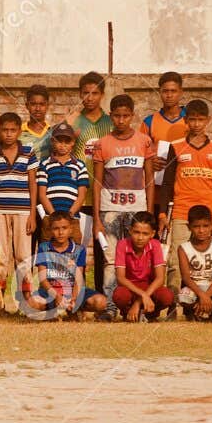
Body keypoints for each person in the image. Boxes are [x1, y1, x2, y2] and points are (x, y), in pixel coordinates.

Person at [90, 94, 155, 290]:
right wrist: (96, 219)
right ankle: (109, 306)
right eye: (117, 116)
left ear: (132, 115)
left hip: (137, 209)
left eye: (125, 116)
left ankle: (135, 304)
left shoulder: (144, 141)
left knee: (137, 259)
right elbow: (96, 183)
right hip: (110, 210)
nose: (121, 120)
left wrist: (149, 214)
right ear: (110, 116)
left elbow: (150, 180)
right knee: (111, 260)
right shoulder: (102, 143)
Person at [159, 98, 212, 290]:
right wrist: (162, 213)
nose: (196, 124)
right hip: (181, 212)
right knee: (177, 260)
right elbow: (167, 183)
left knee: (205, 261)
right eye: (192, 119)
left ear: (208, 120)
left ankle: (203, 304)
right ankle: (173, 303)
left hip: (207, 214)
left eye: (200, 120)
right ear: (185, 121)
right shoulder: (176, 146)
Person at [0, 112, 36, 308]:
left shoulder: (28, 152)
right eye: (4, 130)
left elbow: (32, 183)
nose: (8, 134)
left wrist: (32, 214)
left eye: (13, 130)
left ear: (19, 131)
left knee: (23, 256)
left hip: (23, 212)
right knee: (1, 257)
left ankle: (26, 303)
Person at [70, 71, 113, 287]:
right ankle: (78, 295)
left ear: (102, 95)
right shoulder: (74, 122)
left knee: (103, 249)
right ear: (80, 94)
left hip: (106, 193)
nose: (89, 97)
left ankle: (101, 293)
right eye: (85, 93)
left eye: (94, 93)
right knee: (79, 247)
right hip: (80, 195)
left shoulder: (111, 122)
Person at [24, 212, 108, 320]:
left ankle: (76, 309)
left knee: (102, 302)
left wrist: (73, 299)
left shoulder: (79, 250)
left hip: (73, 290)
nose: (60, 232)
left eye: (64, 228)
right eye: (56, 228)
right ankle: (51, 312)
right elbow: (42, 278)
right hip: (50, 291)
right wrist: (57, 296)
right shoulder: (44, 248)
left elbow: (78, 278)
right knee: (31, 303)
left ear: (71, 229)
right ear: (50, 230)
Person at [111, 211, 171, 322]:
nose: (140, 237)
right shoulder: (122, 245)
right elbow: (120, 278)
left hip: (149, 287)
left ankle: (150, 314)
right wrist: (143, 295)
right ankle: (128, 314)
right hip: (130, 287)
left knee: (167, 297)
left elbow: (160, 279)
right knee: (119, 295)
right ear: (130, 231)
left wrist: (139, 301)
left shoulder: (155, 245)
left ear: (152, 234)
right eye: (136, 232)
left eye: (145, 234)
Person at [35, 124, 88, 229]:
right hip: (50, 219)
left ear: (73, 142)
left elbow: (82, 195)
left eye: (67, 141)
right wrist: (54, 216)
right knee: (48, 245)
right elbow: (42, 195)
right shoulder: (45, 164)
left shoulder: (80, 165)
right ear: (52, 141)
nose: (62, 145)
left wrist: (70, 215)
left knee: (74, 244)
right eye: (59, 141)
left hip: (72, 219)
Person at [143, 71, 188, 146]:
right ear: (159, 92)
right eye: (165, 91)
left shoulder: (192, 119)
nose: (169, 95)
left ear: (181, 92)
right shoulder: (149, 122)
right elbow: (143, 151)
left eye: (173, 91)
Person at [18, 85, 53, 157]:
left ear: (47, 106)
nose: (37, 109)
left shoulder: (53, 132)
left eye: (42, 104)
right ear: (27, 105)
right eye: (33, 104)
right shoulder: (18, 132)